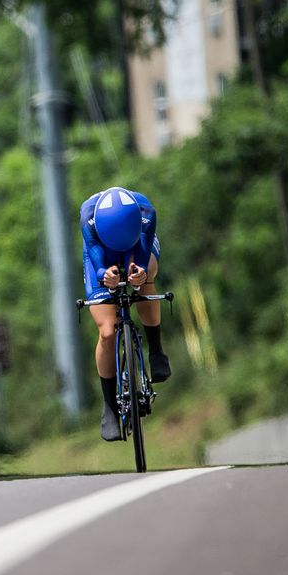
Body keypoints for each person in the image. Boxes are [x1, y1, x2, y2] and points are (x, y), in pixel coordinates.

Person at [80, 186, 170, 442]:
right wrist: (104, 275)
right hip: (102, 252)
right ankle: (109, 405)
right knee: (107, 332)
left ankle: (156, 350)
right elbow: (98, 262)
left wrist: (139, 272)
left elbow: (142, 254)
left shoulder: (146, 213)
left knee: (145, 278)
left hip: (138, 242)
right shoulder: (88, 218)